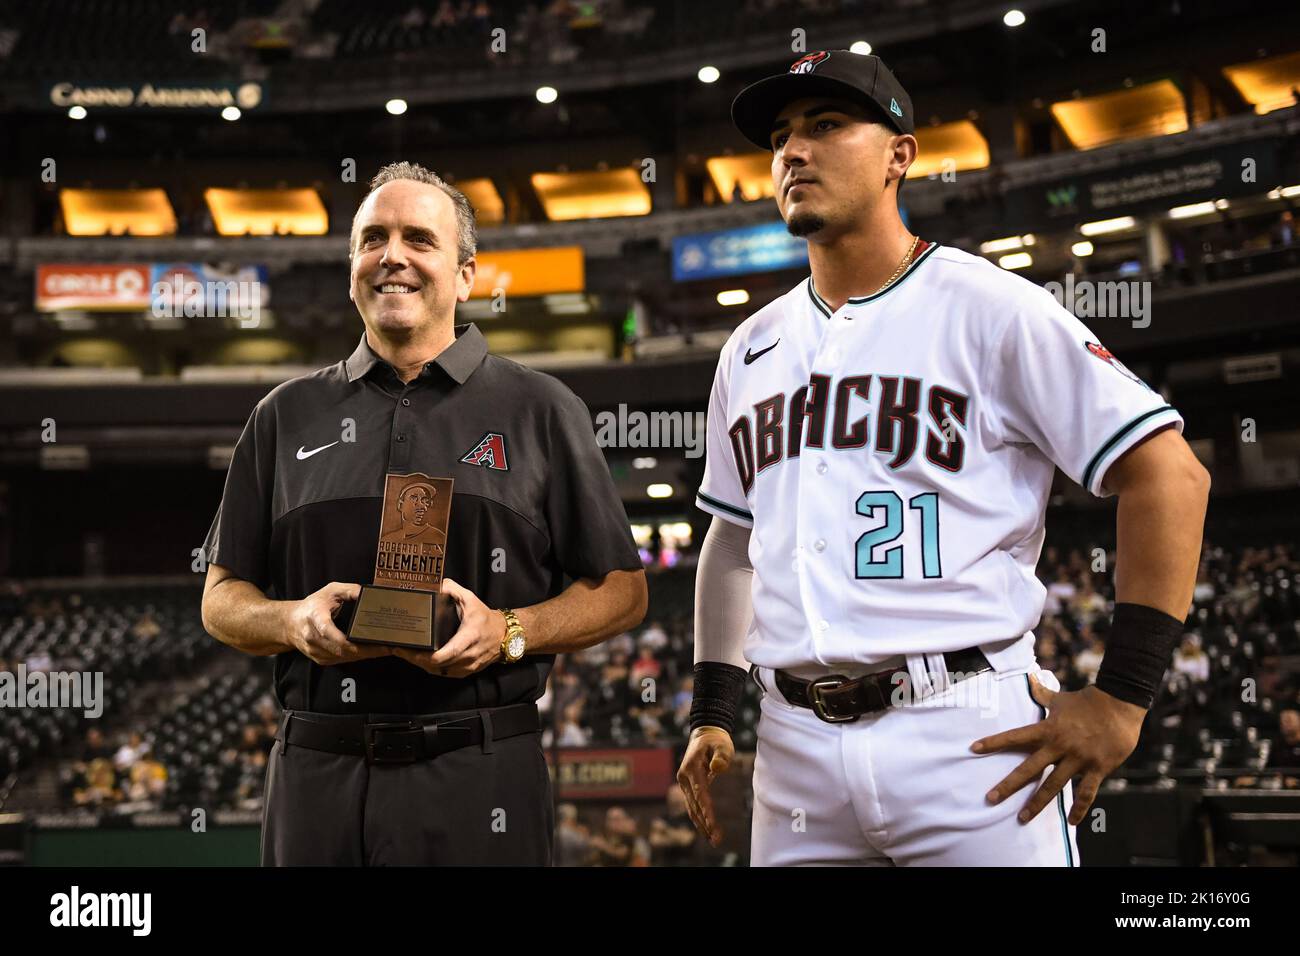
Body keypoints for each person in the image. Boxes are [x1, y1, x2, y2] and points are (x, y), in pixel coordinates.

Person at [677, 50, 1211, 865]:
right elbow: (731, 541)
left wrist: (1123, 699)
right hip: (791, 751)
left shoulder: (992, 307)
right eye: (780, 135)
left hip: (970, 733)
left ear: (901, 154)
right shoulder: (749, 347)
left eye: (825, 125)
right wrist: (712, 705)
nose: (792, 151)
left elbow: (1170, 473)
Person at [200, 161, 647, 865]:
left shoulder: (542, 409)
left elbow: (623, 590)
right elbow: (220, 598)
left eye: (419, 239)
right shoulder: (282, 415)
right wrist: (291, 620)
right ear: (352, 266)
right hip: (317, 772)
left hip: (481, 769)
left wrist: (510, 632)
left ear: (467, 274)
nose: (392, 256)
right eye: (372, 238)